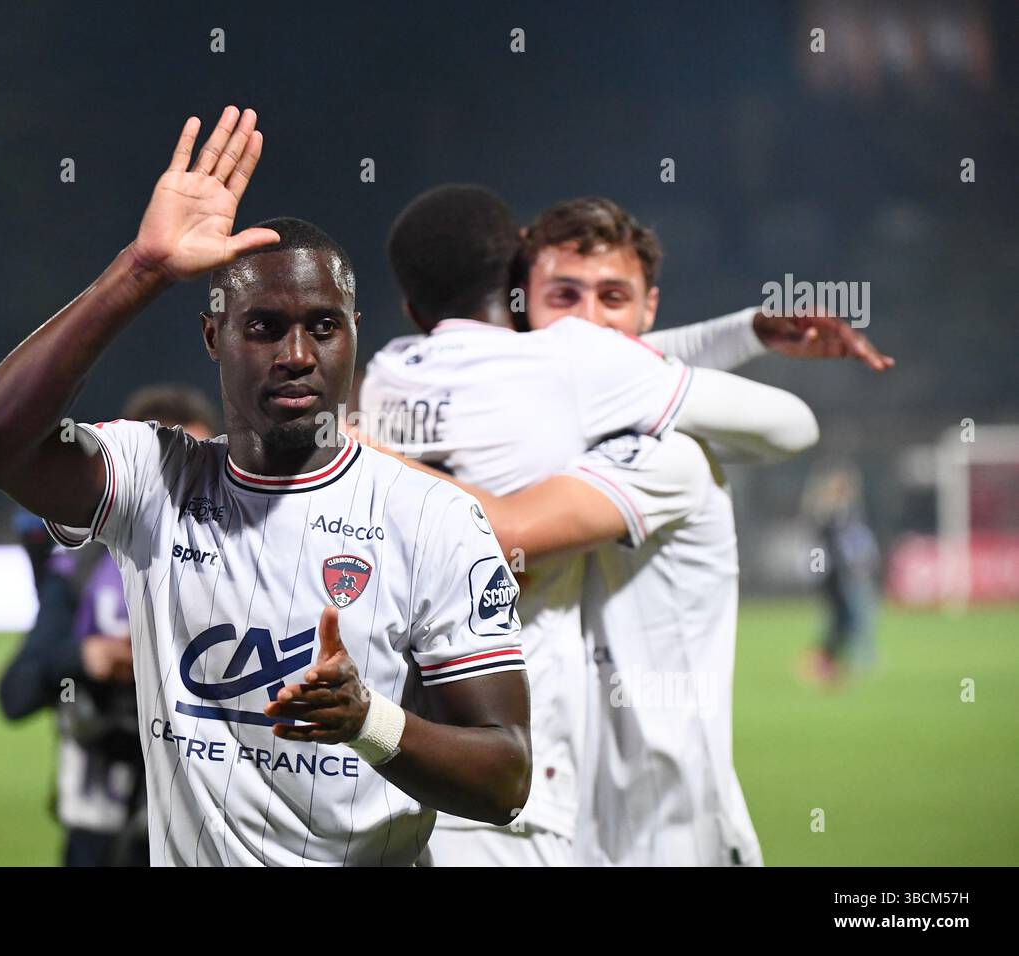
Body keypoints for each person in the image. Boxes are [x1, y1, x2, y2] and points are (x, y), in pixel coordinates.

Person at [0, 106, 532, 867]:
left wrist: (368, 720)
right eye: (263, 326)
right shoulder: (155, 480)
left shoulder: (434, 519)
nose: (296, 353)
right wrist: (142, 271)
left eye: (323, 326)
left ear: (355, 332)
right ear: (212, 336)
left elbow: (505, 779)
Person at [359, 184, 822, 866]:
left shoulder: (385, 376)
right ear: (519, 290)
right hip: (530, 789)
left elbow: (585, 368)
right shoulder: (572, 376)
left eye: (612, 299)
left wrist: (366, 457)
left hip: (666, 822)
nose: (588, 322)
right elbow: (591, 367)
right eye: (565, 296)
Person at [0, 385, 220, 866]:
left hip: (198, 836)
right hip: (97, 836)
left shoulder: (236, 567)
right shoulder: (83, 564)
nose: (191, 490)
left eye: (201, 470)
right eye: (176, 472)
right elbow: (15, 693)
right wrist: (89, 658)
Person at [801, 461, 881, 684]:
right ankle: (821, 663)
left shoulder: (844, 515)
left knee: (845, 619)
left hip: (839, 574)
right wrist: (818, 575)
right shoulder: (827, 516)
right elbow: (821, 547)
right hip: (832, 576)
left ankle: (829, 663)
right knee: (843, 618)